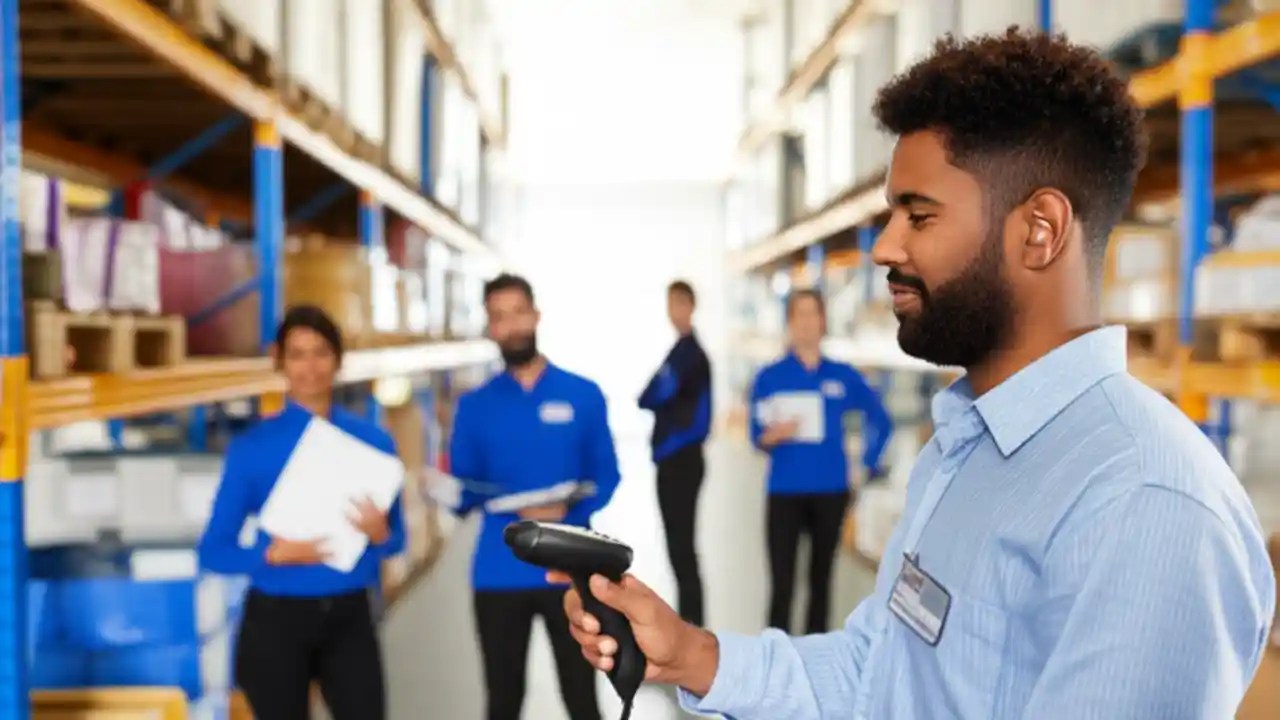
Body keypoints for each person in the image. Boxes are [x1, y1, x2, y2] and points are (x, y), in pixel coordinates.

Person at [553, 29, 1277, 719]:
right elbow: (881, 674)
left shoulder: (1143, 505)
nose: (884, 247)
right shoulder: (964, 448)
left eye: (918, 216)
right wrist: (695, 656)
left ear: (1040, 231)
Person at [198, 305, 405, 720]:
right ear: (279, 362)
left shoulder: (373, 443)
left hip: (349, 614)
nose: (310, 367)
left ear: (338, 359)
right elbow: (213, 551)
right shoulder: (253, 448)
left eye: (321, 353)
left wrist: (380, 532)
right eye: (297, 355)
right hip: (276, 619)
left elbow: (397, 541)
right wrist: (273, 555)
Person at [449, 273, 620, 720]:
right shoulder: (474, 406)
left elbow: (607, 475)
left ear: (536, 315)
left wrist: (571, 507)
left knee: (582, 699)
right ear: (490, 327)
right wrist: (446, 492)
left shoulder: (583, 395)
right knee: (503, 702)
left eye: (518, 313)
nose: (512, 326)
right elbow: (462, 489)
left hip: (570, 568)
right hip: (498, 572)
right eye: (499, 317)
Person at [750, 288, 893, 633]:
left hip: (830, 492)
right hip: (784, 492)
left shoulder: (843, 375)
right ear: (789, 322)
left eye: (813, 313)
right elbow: (756, 435)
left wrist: (868, 462)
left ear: (823, 321)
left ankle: (815, 655)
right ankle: (775, 654)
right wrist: (773, 435)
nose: (807, 322)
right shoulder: (769, 378)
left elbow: (880, 418)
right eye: (799, 314)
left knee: (821, 582)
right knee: (782, 583)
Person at [638, 279, 712, 626]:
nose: (673, 311)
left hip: (681, 460)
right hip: (673, 460)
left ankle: (692, 627)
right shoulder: (679, 352)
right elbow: (648, 395)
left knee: (682, 548)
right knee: (678, 548)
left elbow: (655, 395)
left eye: (679, 303)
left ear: (691, 306)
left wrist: (658, 396)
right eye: (670, 304)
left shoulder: (691, 357)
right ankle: (690, 624)